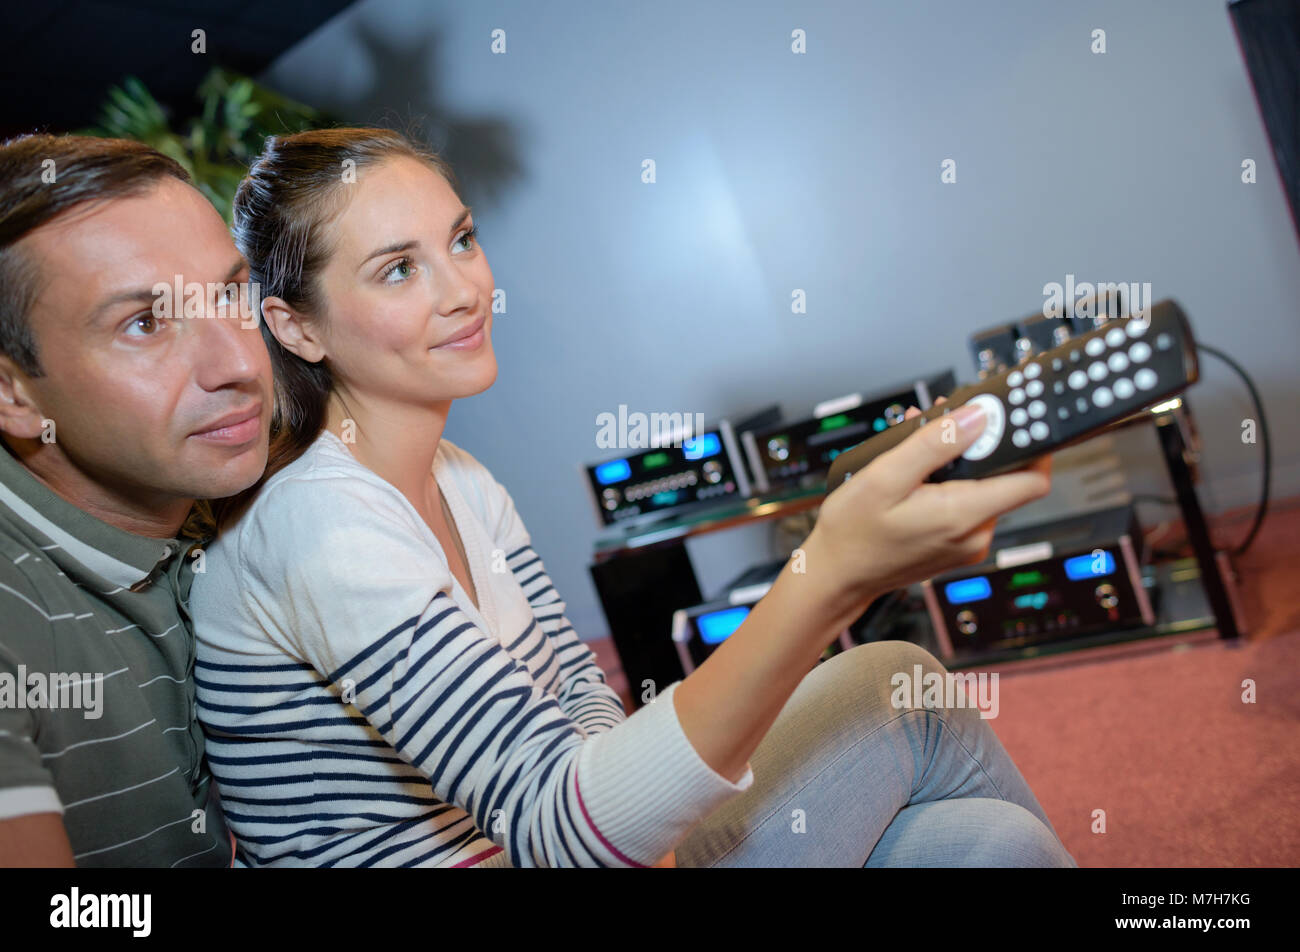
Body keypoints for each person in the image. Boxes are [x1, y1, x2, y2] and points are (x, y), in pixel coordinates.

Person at [189, 126, 1075, 867]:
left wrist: (640, 819)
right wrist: (829, 575)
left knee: (986, 843)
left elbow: (577, 687)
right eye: (397, 270)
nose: (464, 290)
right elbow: (557, 832)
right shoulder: (316, 521)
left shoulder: (462, 477)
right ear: (295, 326)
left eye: (461, 239)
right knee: (897, 682)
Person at [0, 133, 274, 865]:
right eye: (145, 323)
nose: (242, 362)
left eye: (230, 295)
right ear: (12, 391)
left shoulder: (250, 492)